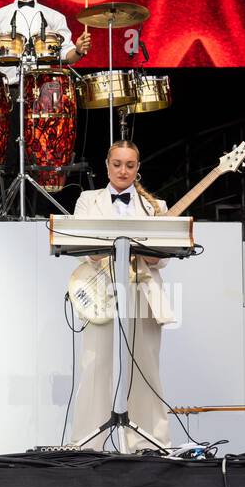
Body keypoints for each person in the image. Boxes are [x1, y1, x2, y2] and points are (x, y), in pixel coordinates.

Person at [70, 140, 173, 453]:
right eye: (117, 164)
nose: (123, 170)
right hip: (101, 291)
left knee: (145, 367)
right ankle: (88, 442)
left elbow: (162, 258)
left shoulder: (157, 207)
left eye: (129, 165)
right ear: (107, 165)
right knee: (96, 364)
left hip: (142, 290)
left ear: (138, 168)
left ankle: (149, 441)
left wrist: (148, 251)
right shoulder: (88, 200)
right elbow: (83, 245)